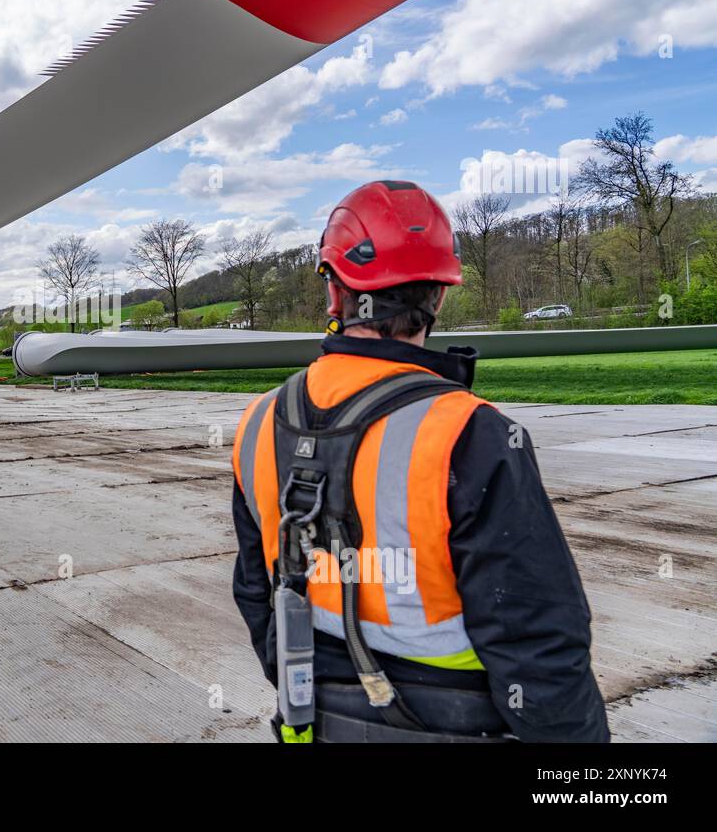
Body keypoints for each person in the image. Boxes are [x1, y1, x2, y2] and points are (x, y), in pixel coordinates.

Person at [230, 180, 608, 743]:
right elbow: (536, 637)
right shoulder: (472, 431)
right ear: (439, 294)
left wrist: (310, 689)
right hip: (454, 723)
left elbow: (256, 591)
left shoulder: (260, 421)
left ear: (334, 294)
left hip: (311, 722)